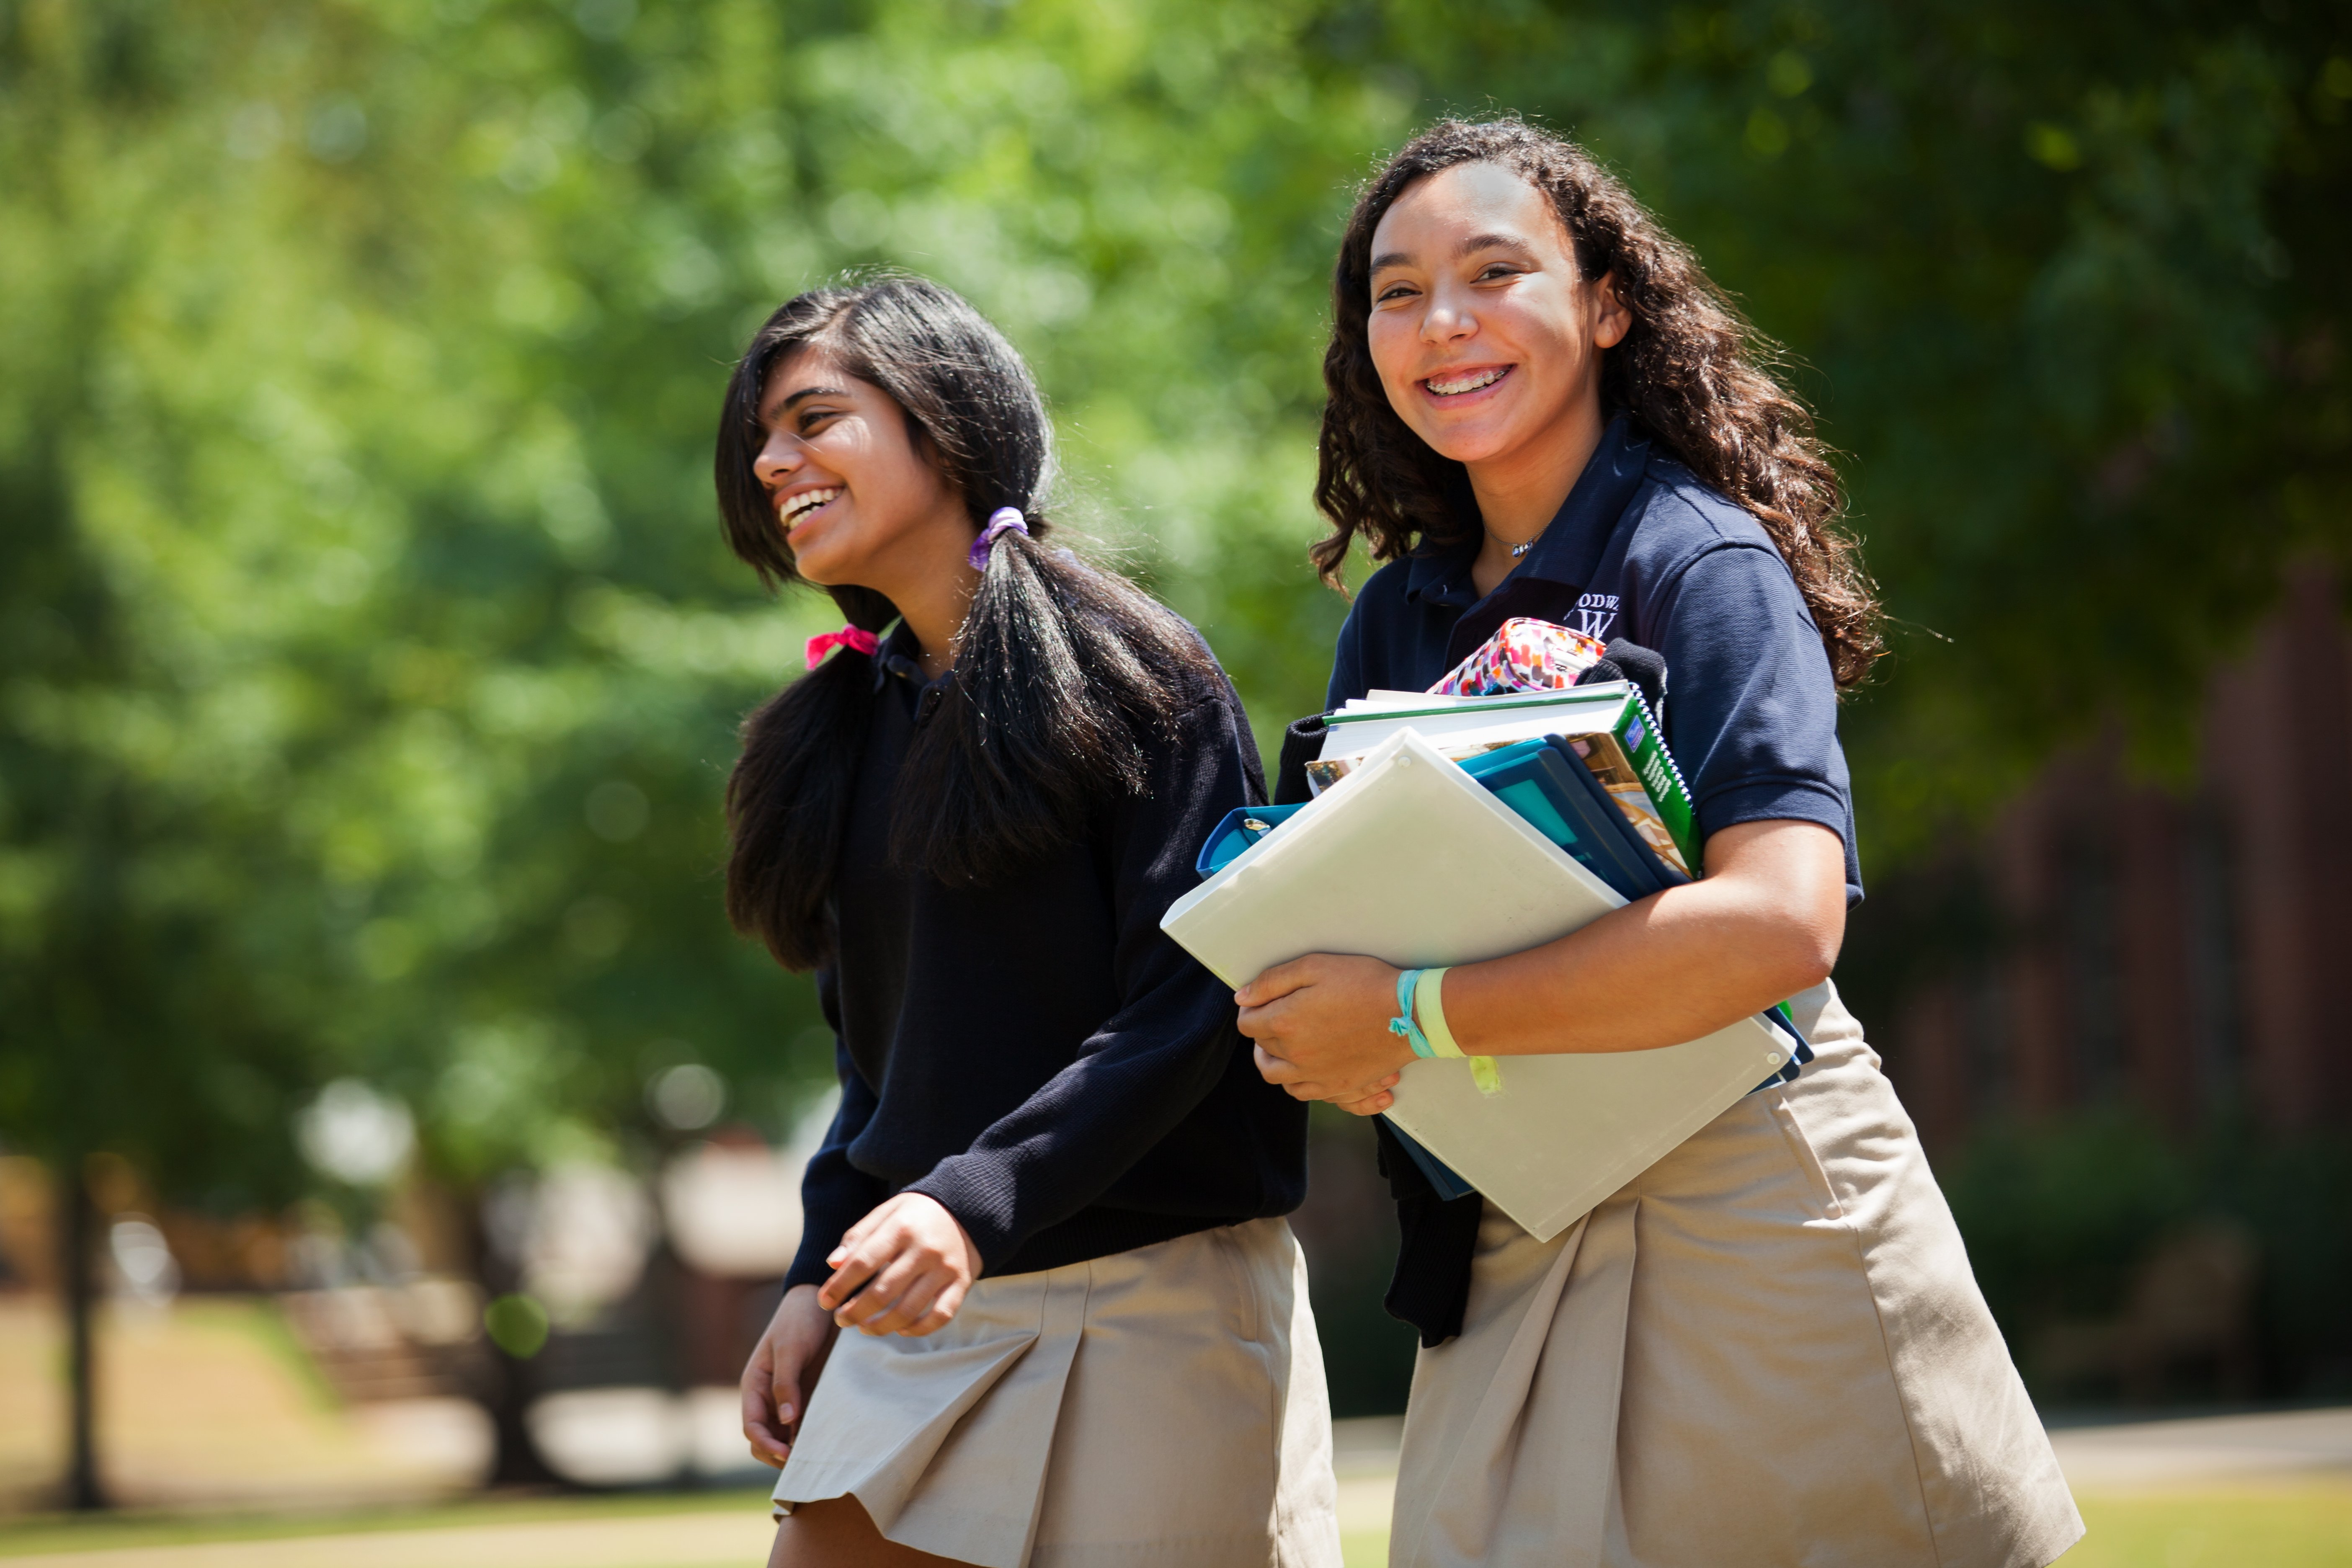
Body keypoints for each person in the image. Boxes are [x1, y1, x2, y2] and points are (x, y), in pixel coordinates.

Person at [1238, 121, 2084, 1568]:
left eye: (1495, 271)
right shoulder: (1395, 620)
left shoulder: (1703, 561)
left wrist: (1407, 1010)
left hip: (1754, 1199)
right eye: (1396, 291)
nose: (1442, 322)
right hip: (1512, 1214)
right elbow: (1366, 921)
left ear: (1608, 304)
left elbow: (1778, 927)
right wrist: (1329, 1025)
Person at [715, 277, 1340, 1568]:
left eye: (814, 418)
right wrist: (812, 1271)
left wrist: (973, 1202)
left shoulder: (1138, 672)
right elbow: (875, 1063)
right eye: (764, 440)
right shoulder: (834, 730)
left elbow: (1190, 1007)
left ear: (945, 422)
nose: (776, 461)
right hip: (929, 1301)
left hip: (1157, 1297)